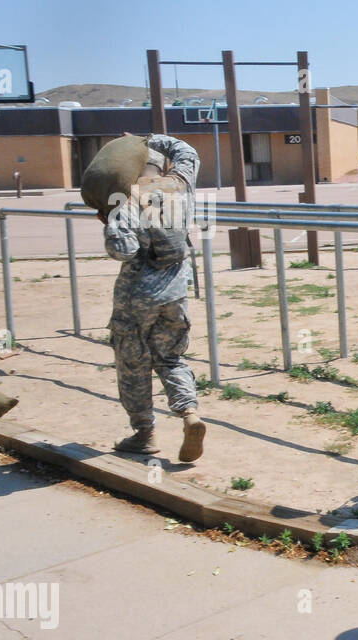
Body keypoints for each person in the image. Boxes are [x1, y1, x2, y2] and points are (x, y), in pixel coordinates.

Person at [104, 134, 206, 462]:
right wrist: (151, 138)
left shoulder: (128, 198)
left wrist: (110, 223)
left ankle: (144, 433)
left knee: (133, 362)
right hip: (176, 292)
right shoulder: (181, 183)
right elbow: (187, 151)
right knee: (171, 357)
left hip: (137, 297)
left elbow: (123, 250)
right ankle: (189, 413)